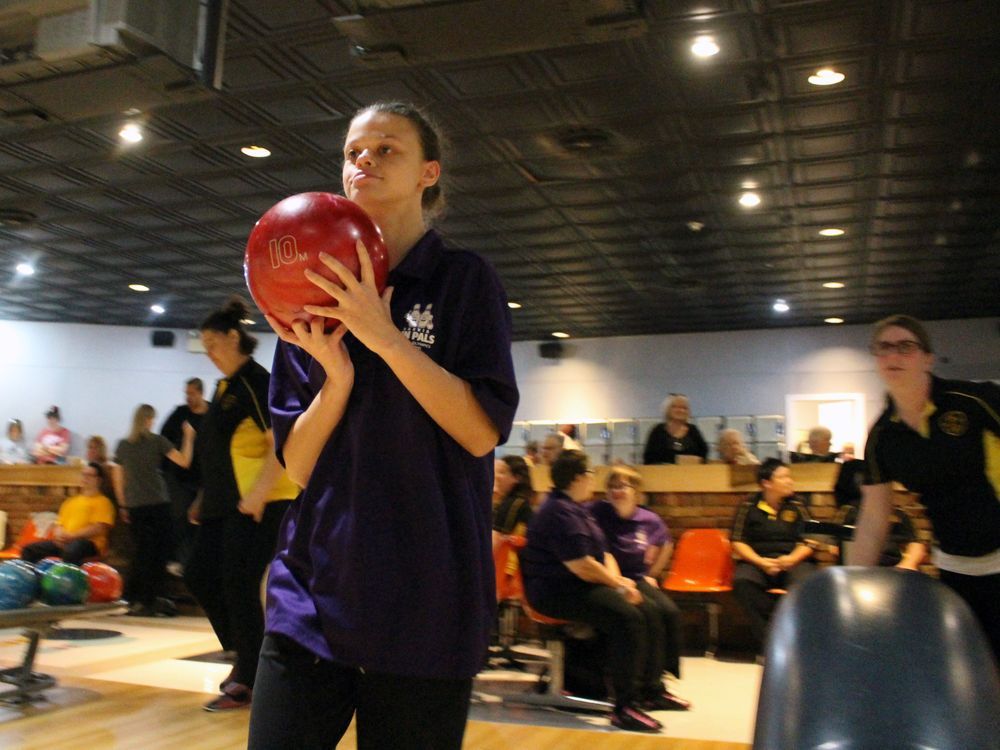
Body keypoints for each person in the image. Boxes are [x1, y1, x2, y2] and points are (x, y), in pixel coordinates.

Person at [249, 101, 519, 749]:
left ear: (429, 172)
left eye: (386, 149)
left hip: (426, 597)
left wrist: (388, 339)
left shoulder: (463, 281)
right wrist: (337, 379)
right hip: (313, 592)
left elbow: (481, 432)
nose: (363, 160)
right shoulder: (308, 289)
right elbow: (299, 465)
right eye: (353, 152)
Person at [850, 314, 1000, 666]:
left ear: (928, 358)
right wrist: (852, 584)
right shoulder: (882, 437)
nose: (894, 356)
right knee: (975, 665)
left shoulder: (972, 401)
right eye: (884, 348)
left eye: (906, 346)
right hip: (955, 565)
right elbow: (873, 518)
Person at [184, 298, 298, 713]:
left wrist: (260, 493)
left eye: (214, 342)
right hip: (222, 505)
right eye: (206, 345)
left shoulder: (256, 381)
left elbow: (280, 442)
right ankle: (248, 654)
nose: (210, 353)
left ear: (235, 337)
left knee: (238, 583)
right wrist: (201, 497)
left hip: (257, 504)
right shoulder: (223, 388)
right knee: (199, 574)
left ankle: (248, 676)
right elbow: (216, 452)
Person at [520, 450, 663, 732]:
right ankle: (624, 706)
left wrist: (620, 582)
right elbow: (581, 565)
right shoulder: (558, 512)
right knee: (628, 618)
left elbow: (602, 553)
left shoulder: (575, 508)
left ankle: (649, 690)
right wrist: (619, 586)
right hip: (554, 593)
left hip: (576, 586)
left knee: (648, 609)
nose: (591, 480)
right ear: (577, 478)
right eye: (588, 474)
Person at [589, 465, 689, 710]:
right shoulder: (598, 512)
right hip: (611, 578)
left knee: (669, 611)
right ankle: (648, 686)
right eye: (611, 487)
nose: (616, 491)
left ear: (636, 491)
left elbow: (666, 543)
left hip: (638, 577)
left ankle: (661, 677)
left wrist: (653, 574)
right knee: (650, 613)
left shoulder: (648, 519)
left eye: (622, 486)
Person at [114, 404, 194, 617]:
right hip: (158, 503)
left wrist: (123, 504)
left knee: (141, 553)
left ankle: (132, 598)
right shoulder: (157, 441)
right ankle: (150, 600)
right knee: (158, 554)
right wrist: (189, 437)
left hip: (135, 505)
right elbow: (184, 461)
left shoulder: (122, 445)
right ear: (148, 419)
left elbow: (118, 477)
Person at [731, 458, 817, 652]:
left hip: (792, 561)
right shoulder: (748, 506)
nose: (790, 481)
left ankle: (798, 643)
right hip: (759, 561)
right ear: (766, 483)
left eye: (790, 477)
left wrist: (792, 559)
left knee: (807, 583)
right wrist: (760, 562)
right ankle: (771, 643)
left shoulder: (798, 504)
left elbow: (811, 540)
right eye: (784, 477)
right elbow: (737, 541)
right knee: (743, 581)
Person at [21, 462, 116, 565]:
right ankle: (33, 579)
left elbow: (99, 528)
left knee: (72, 550)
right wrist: (59, 536)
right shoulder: (70, 501)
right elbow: (58, 525)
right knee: (29, 550)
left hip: (88, 543)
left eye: (90, 475)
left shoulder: (103, 502)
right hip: (65, 542)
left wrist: (72, 536)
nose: (85, 478)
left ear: (98, 480)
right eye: (83, 474)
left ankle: (66, 580)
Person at [160, 377, 210, 570]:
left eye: (191, 394)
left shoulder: (211, 413)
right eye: (186, 393)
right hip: (178, 476)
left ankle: (194, 562)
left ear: (200, 393)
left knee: (198, 520)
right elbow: (164, 440)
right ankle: (179, 560)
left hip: (204, 476)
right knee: (179, 518)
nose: (188, 397)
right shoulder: (180, 413)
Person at [642, 394, 708, 464]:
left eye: (684, 408)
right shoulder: (657, 431)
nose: (680, 410)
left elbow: (703, 455)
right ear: (667, 409)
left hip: (690, 473)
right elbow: (648, 458)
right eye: (675, 407)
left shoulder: (693, 430)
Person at [85, 435, 119, 504]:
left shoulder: (107, 468)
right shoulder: (89, 467)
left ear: (101, 450)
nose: (91, 451)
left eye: (94, 448)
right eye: (89, 448)